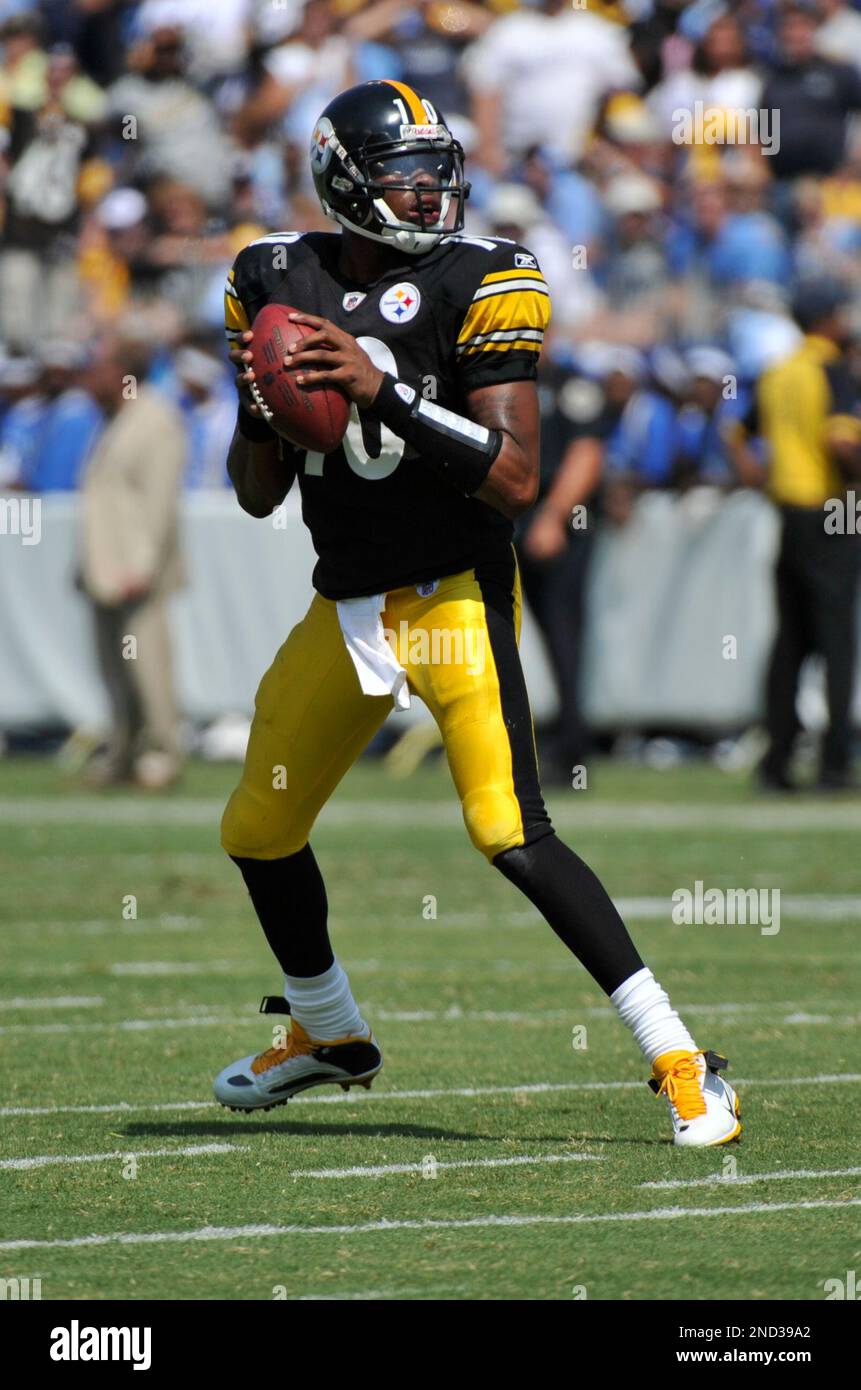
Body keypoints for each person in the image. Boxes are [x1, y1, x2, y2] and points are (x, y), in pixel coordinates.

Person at [215, 79, 741, 1147]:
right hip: (348, 598)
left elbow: (514, 477)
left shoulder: (488, 278)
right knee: (258, 827)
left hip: (453, 589)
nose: (427, 196)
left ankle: (683, 1055)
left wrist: (381, 390)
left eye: (436, 174)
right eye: (404, 179)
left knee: (510, 830)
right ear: (343, 182)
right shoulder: (274, 276)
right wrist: (262, 406)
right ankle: (327, 1031)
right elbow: (258, 491)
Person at [728, 279, 861, 791]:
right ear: (827, 319)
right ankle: (834, 766)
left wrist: (760, 477)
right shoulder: (832, 369)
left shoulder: (779, 370)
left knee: (791, 643)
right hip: (830, 511)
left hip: (789, 512)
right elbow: (843, 441)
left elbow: (737, 433)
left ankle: (777, 763)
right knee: (837, 643)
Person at [78, 331, 187, 789]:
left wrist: (140, 566)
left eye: (98, 366)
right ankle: (123, 753)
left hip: (135, 571)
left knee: (148, 666)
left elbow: (160, 502)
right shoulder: (114, 418)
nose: (89, 377)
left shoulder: (154, 419)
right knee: (114, 668)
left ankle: (162, 754)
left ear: (122, 372)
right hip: (103, 569)